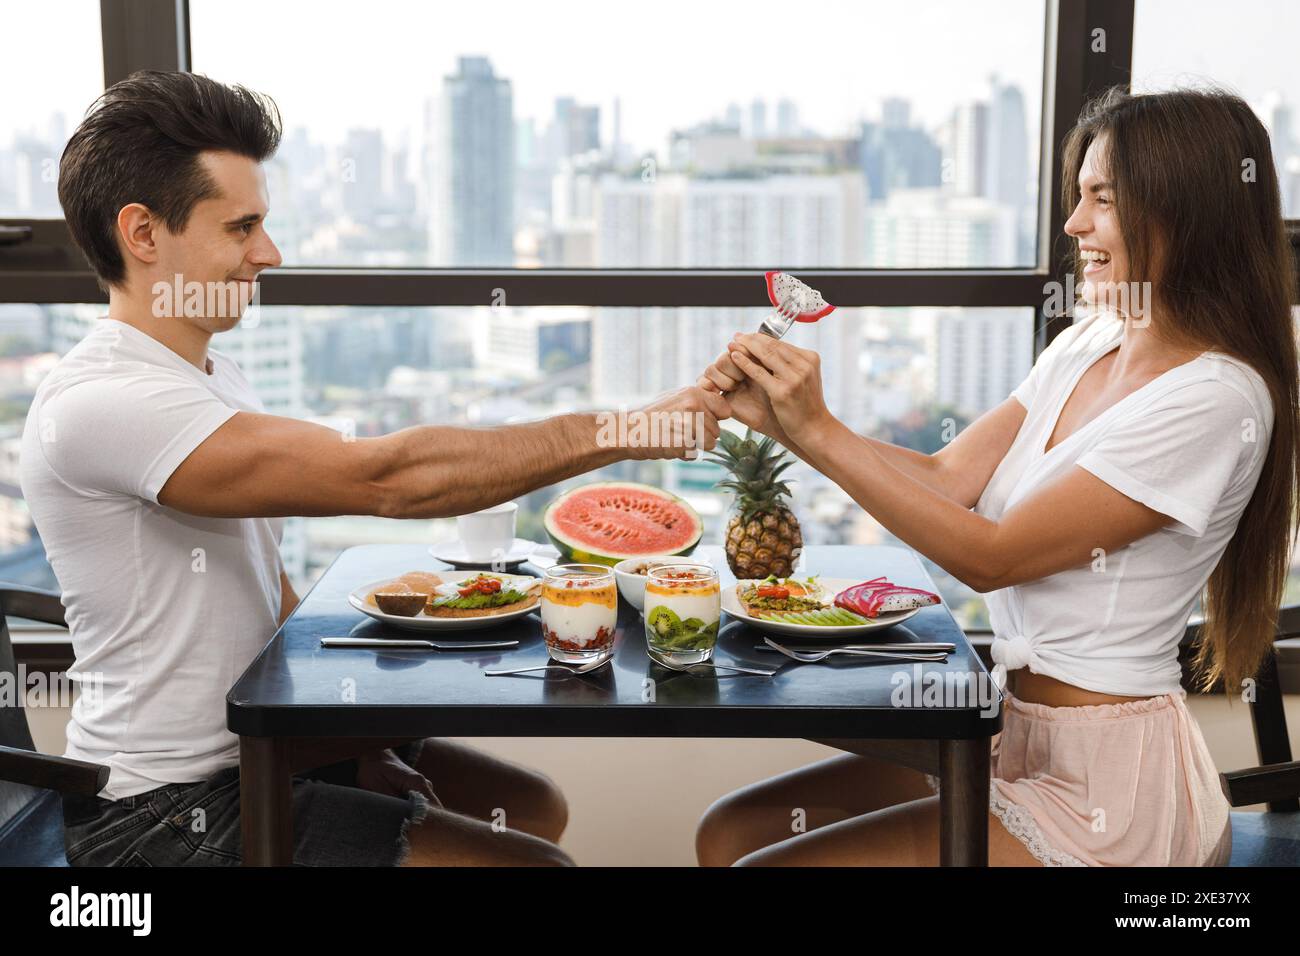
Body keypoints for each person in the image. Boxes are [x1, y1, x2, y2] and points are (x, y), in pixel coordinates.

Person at [23, 70, 729, 867]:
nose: (269, 252)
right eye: (241, 227)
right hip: (159, 811)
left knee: (532, 807)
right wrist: (629, 427)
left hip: (258, 752)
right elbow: (387, 479)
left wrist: (347, 751)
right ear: (144, 235)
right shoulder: (107, 401)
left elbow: (263, 591)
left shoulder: (209, 377)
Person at [695, 86, 1298, 867]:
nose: (1075, 225)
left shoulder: (1216, 398)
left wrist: (820, 430)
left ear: (1183, 212)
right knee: (730, 834)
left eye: (1101, 200)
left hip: (1110, 797)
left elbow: (993, 556)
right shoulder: (1091, 343)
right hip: (1008, 736)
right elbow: (948, 480)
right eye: (1077, 198)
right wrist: (788, 423)